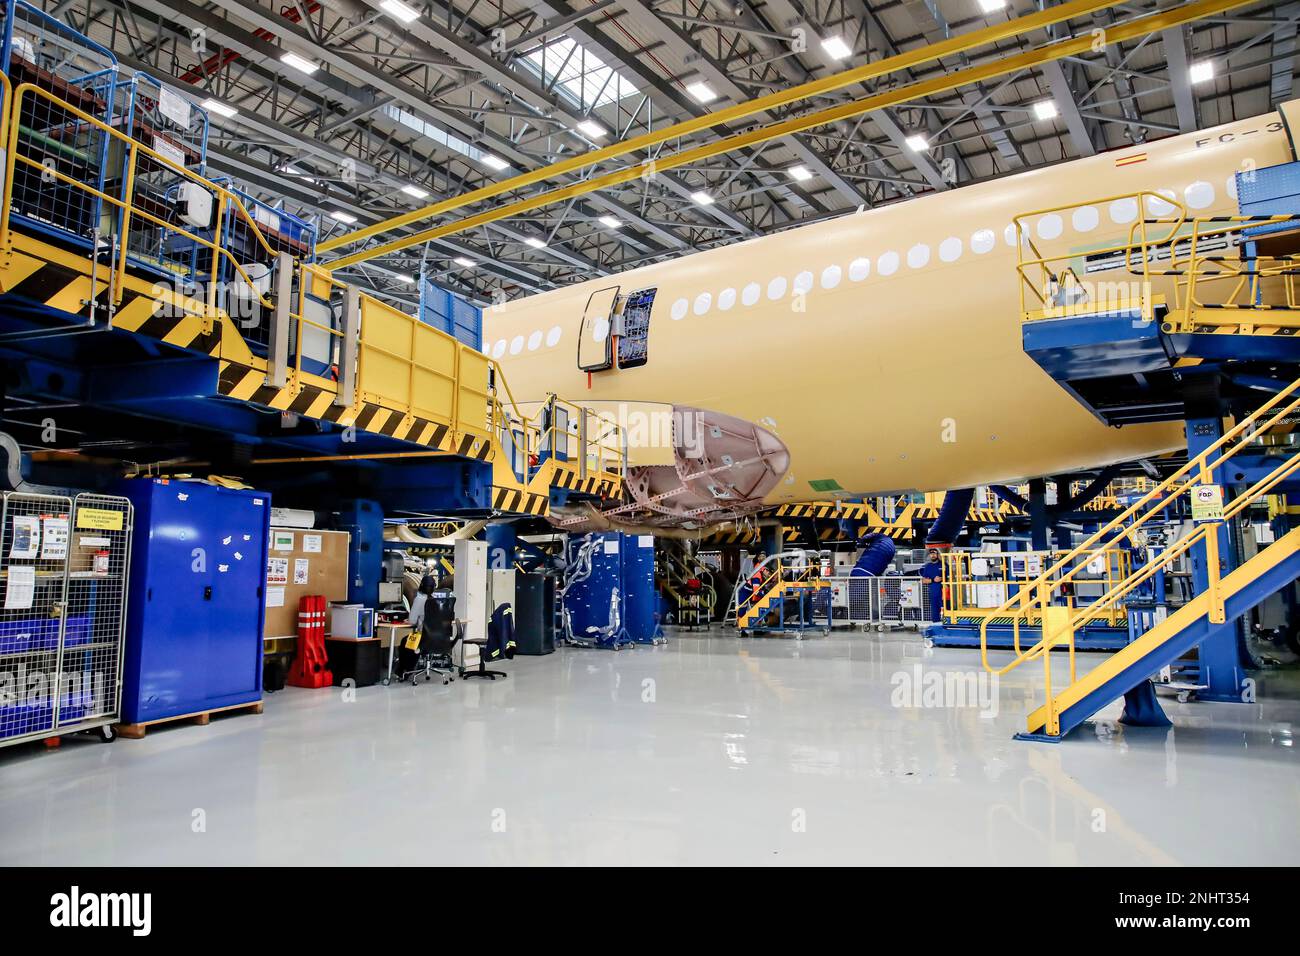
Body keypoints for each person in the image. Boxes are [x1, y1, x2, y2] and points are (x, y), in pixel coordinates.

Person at [919, 548, 944, 623]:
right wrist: (933, 580)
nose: (933, 555)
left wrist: (942, 578)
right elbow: (924, 580)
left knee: (946, 610)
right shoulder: (928, 567)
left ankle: (947, 624)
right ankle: (936, 625)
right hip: (933, 593)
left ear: (937, 554)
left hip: (944, 593)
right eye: (931, 554)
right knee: (935, 612)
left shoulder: (943, 565)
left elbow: (950, 577)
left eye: (934, 554)